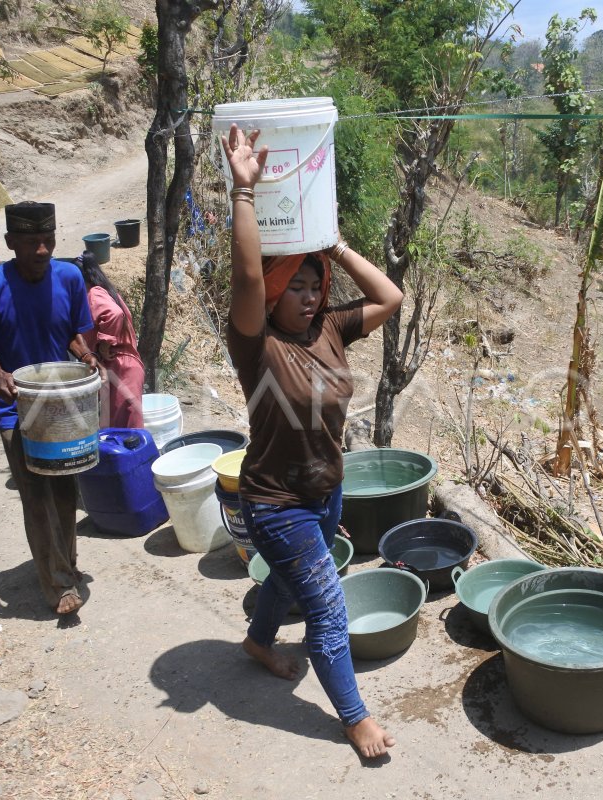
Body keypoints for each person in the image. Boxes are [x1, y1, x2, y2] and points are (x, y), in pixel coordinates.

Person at [221, 125, 404, 759]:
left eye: (313, 284)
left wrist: (335, 245)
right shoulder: (257, 342)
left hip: (326, 491)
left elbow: (391, 296)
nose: (306, 297)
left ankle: (256, 640)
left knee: (293, 582)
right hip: (275, 503)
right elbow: (246, 275)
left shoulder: (329, 328)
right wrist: (244, 192)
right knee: (326, 611)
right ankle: (354, 719)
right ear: (272, 294)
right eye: (292, 286)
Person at [0, 202, 104, 616]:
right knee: (35, 495)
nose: (42, 250)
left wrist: (85, 355)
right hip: (17, 408)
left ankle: (67, 564)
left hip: (61, 405)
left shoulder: (68, 277)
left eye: (48, 240)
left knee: (64, 490)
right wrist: (0, 374)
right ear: (11, 243)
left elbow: (71, 335)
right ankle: (59, 585)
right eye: (31, 243)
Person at [76, 251, 145, 429]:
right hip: (122, 368)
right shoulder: (106, 291)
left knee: (128, 431)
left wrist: (105, 343)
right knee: (117, 427)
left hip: (121, 368)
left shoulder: (94, 294)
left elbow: (114, 314)